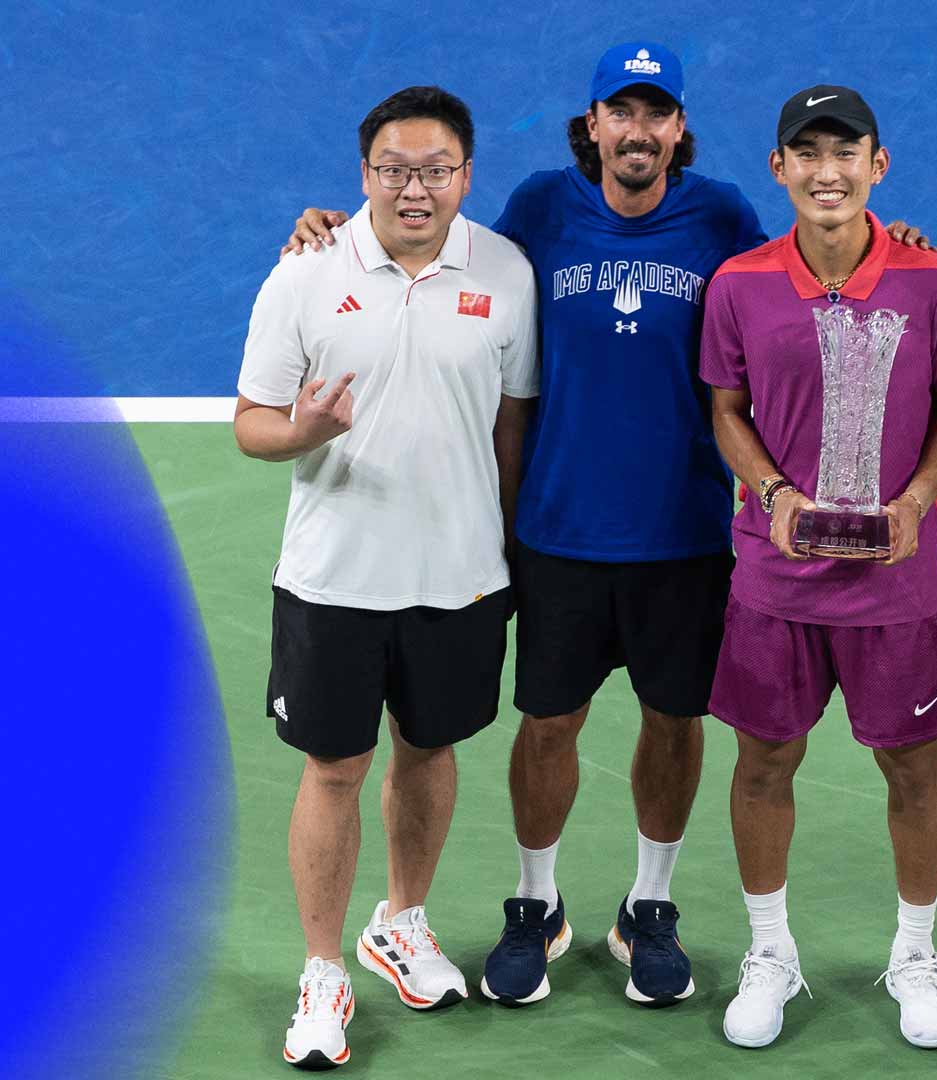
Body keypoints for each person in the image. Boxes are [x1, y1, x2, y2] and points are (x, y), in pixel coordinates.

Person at [282, 41, 762, 1009]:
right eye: (617, 115)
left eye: (655, 114)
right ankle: (537, 906)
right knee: (549, 724)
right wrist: (337, 232)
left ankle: (649, 907)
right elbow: (446, 253)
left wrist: (897, 237)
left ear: (678, 128)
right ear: (592, 127)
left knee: (676, 722)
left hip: (688, 531)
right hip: (555, 534)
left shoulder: (723, 215)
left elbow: (796, 274)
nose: (636, 131)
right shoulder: (541, 209)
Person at [236, 85, 538, 1068]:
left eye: (436, 169)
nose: (415, 189)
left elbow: (512, 423)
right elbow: (252, 422)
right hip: (334, 578)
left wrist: (499, 544)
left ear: (466, 174)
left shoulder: (504, 270)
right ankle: (324, 973)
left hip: (457, 577)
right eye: (394, 170)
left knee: (430, 750)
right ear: (363, 174)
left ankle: (400, 923)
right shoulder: (306, 274)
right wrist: (303, 432)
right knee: (335, 766)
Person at [699, 85, 937, 1050]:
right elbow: (727, 412)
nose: (828, 171)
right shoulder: (738, 283)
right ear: (778, 168)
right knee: (765, 760)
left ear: (879, 165)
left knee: (912, 764)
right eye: (806, 153)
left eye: (846, 152)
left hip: (894, 582)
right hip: (773, 581)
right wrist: (775, 498)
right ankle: (770, 953)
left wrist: (913, 505)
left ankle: (915, 954)